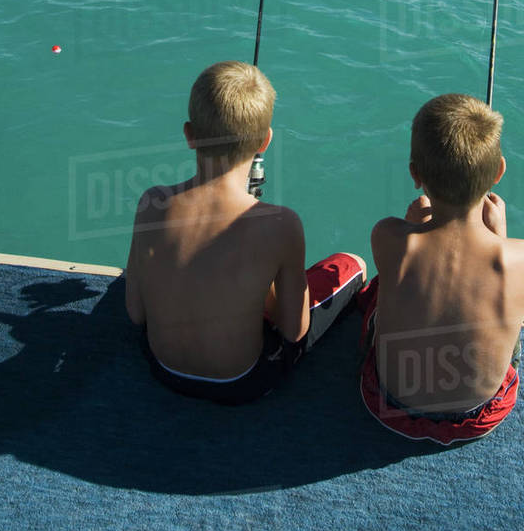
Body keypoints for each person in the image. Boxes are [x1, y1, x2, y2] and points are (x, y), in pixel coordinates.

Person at [125, 60, 366, 404]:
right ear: (265, 141)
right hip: (241, 384)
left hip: (161, 368)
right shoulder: (282, 224)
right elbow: (293, 331)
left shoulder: (151, 203)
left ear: (189, 134)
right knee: (352, 265)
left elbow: (135, 313)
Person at [359, 93, 524, 443]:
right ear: (499, 171)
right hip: (478, 417)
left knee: (379, 295)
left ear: (415, 174)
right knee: (507, 311)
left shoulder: (389, 236)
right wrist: (499, 236)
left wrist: (412, 226)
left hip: (388, 407)